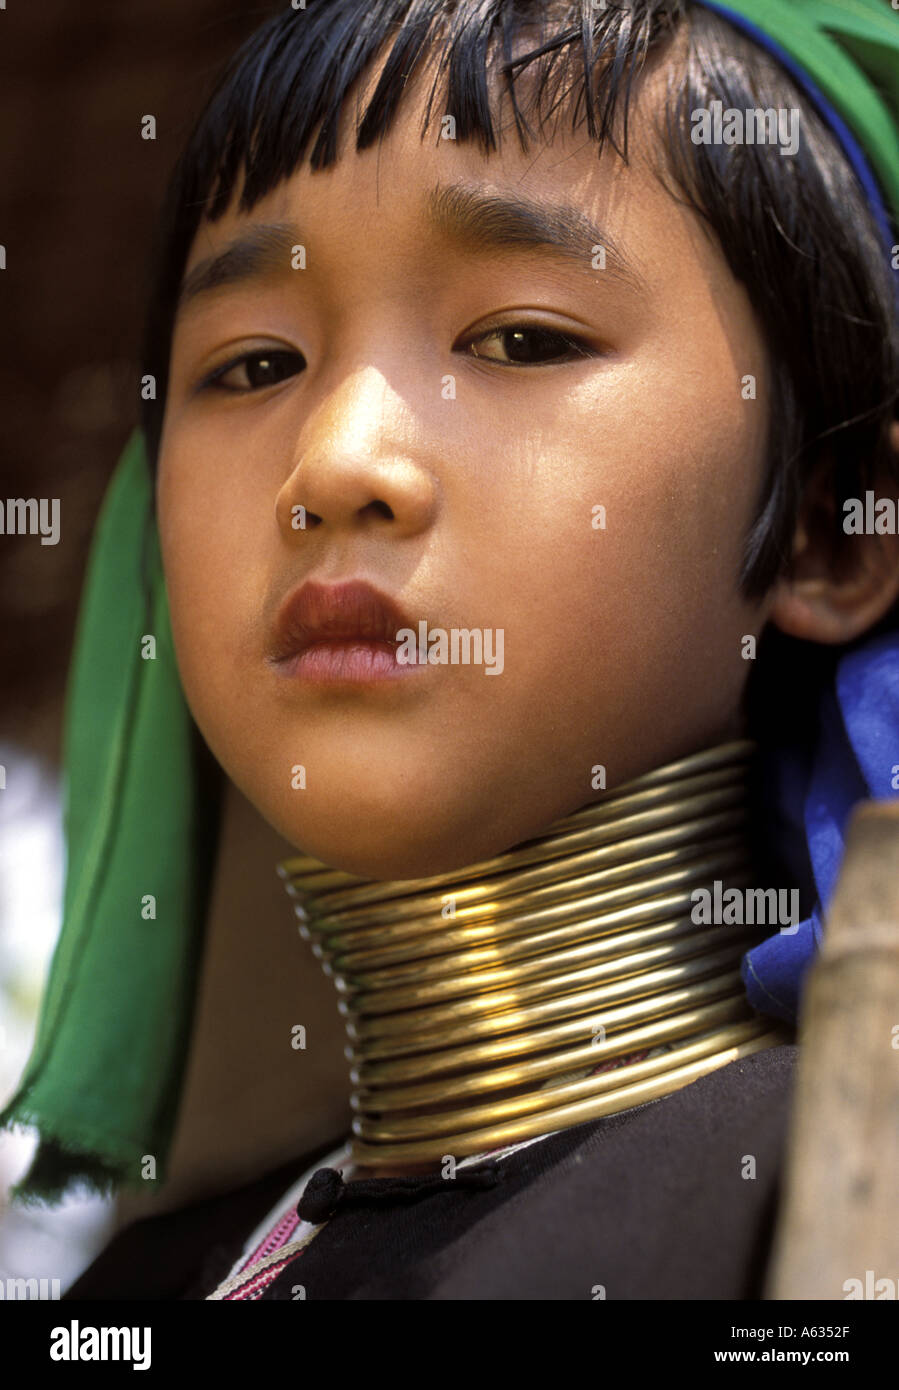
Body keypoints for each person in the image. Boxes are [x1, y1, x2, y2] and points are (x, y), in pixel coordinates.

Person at [3, 0, 899, 1300]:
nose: (339, 461)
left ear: (827, 530)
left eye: (523, 338)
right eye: (254, 364)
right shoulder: (136, 1295)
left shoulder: (849, 1195)